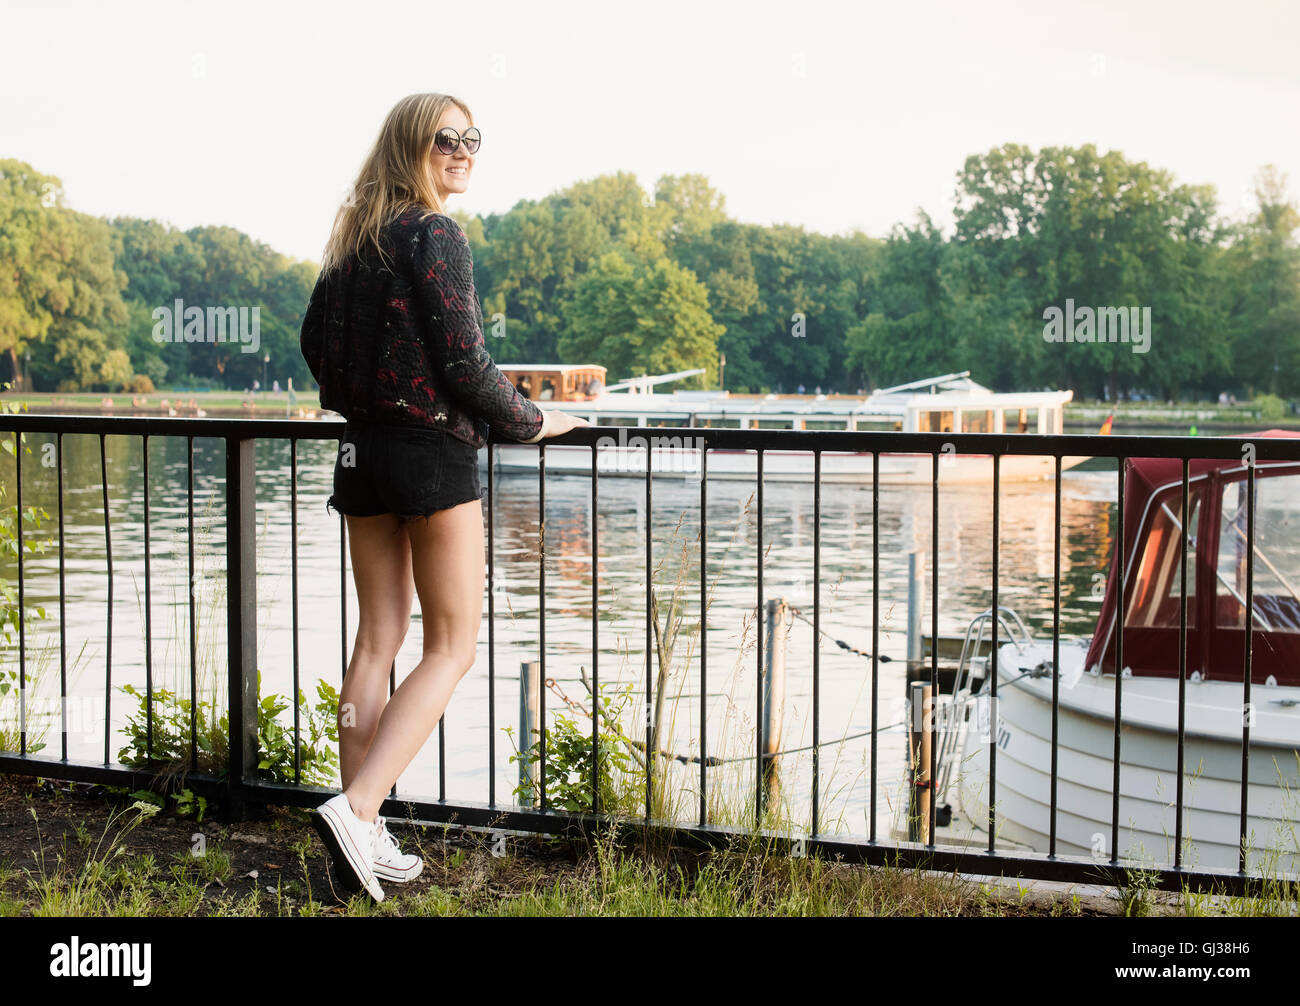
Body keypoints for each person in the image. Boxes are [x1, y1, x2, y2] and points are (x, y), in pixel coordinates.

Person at [299, 92, 587, 902]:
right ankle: (359, 812)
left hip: (363, 457)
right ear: (409, 147)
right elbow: (466, 364)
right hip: (430, 457)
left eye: (473, 139)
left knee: (377, 640)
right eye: (444, 140)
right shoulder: (434, 234)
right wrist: (534, 421)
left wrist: (362, 403)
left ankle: (367, 832)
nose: (462, 152)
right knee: (453, 645)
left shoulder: (354, 237)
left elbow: (312, 342)